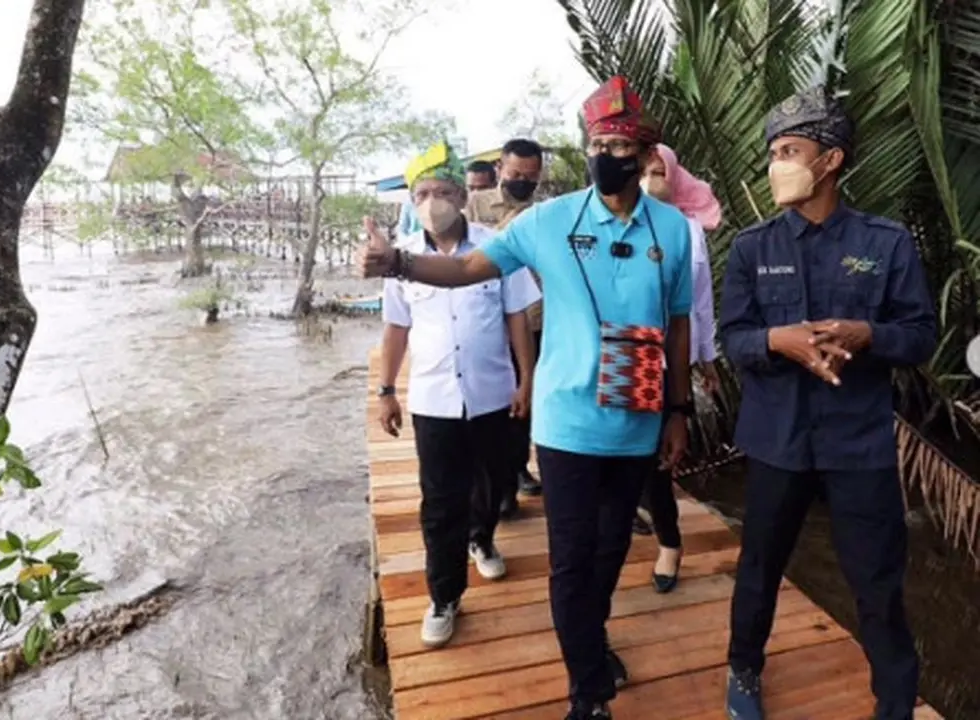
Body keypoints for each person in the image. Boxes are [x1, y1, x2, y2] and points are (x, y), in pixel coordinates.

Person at [359, 76, 693, 720]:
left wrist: (680, 411)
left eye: (620, 143)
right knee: (571, 559)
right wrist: (397, 263)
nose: (607, 153)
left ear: (646, 153)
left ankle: (590, 643)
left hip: (638, 419)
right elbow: (462, 271)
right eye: (597, 141)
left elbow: (678, 325)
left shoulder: (675, 231)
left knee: (612, 549)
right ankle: (587, 692)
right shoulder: (548, 221)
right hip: (567, 425)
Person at [719, 86, 935, 720]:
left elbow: (919, 335)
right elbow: (731, 339)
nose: (775, 162)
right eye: (772, 151)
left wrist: (868, 334)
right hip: (776, 440)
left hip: (856, 442)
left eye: (789, 149)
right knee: (758, 567)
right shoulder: (754, 247)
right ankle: (743, 671)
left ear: (830, 159)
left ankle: (894, 703)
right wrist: (776, 341)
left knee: (877, 581)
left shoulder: (886, 243)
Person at [376, 140, 541, 649]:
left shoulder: (497, 247)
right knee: (440, 501)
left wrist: (526, 380)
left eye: (444, 190)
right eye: (423, 192)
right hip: (434, 399)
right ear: (411, 200)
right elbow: (395, 329)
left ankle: (482, 537)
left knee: (492, 484)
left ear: (462, 196)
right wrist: (386, 390)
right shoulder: (400, 260)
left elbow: (517, 316)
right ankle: (443, 596)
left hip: (494, 392)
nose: (434, 201)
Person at [636, 143, 722, 592]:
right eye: (643, 171)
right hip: (623, 356)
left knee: (659, 460)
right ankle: (633, 510)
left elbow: (700, 301)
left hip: (669, 359)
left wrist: (707, 358)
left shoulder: (689, 231)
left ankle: (670, 543)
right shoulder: (618, 226)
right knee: (621, 451)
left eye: (658, 171)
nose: (652, 181)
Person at [465, 138, 548, 510]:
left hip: (534, 320)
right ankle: (495, 485)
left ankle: (518, 468)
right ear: (500, 168)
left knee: (526, 397)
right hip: (487, 322)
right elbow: (466, 256)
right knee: (491, 404)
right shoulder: (473, 206)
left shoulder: (546, 214)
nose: (522, 183)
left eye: (531, 177)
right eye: (516, 174)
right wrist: (508, 228)